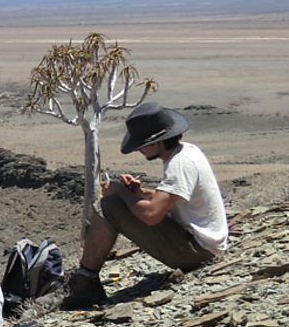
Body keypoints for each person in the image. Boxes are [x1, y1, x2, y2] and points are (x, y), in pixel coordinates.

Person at [62, 102, 229, 309]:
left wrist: (122, 193)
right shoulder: (187, 152)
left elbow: (152, 215)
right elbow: (171, 197)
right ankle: (85, 281)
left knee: (110, 205)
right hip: (206, 245)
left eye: (141, 144)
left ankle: (85, 282)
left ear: (157, 142)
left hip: (198, 252)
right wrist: (139, 193)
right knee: (118, 201)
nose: (139, 149)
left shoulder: (179, 164)